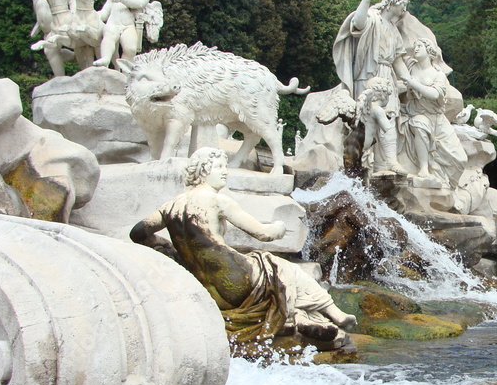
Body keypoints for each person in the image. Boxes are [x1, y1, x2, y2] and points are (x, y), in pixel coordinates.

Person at [130, 148, 357, 349]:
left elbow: (137, 233)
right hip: (236, 279)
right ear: (203, 171)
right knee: (281, 268)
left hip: (207, 288)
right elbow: (262, 234)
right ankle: (333, 313)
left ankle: (302, 320)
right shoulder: (218, 200)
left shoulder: (170, 206)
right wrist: (279, 228)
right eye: (219, 166)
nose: (225, 171)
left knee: (272, 283)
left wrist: (166, 247)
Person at [397, 38, 467, 185]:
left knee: (460, 159)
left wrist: (413, 83)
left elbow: (435, 94)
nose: (415, 49)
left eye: (419, 46)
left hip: (437, 118)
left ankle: (446, 183)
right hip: (417, 113)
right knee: (420, 125)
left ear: (429, 51)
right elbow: (398, 58)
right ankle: (424, 168)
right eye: (415, 46)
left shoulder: (438, 75)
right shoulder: (411, 67)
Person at [332, 0, 411, 104]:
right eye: (403, 4)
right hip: (368, 73)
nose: (404, 9)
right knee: (367, 114)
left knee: (389, 117)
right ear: (394, 1)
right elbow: (358, 23)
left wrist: (410, 81)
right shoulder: (372, 18)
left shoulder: (394, 30)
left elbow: (398, 61)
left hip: (388, 78)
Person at [94, 0, 156, 69]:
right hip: (112, 24)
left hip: (128, 26)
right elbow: (104, 13)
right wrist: (93, 15)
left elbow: (139, 4)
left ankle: (125, 71)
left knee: (131, 48)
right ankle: (105, 59)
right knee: (109, 36)